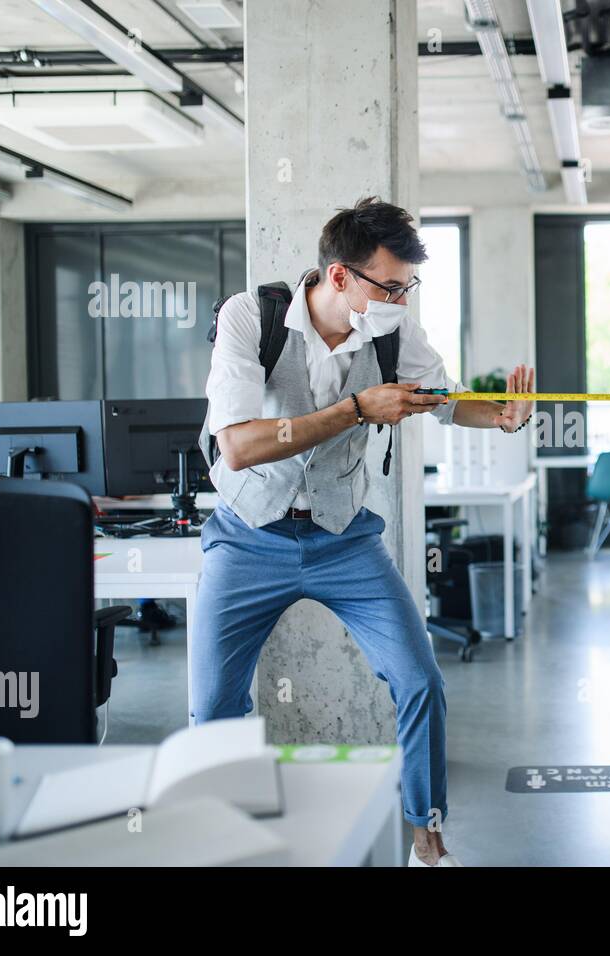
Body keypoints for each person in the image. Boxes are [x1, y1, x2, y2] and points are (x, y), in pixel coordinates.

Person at [194, 196, 536, 867]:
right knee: (212, 703)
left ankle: (427, 841)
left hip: (344, 537)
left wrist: (500, 416)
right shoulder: (250, 318)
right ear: (340, 277)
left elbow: (442, 401)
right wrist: (356, 408)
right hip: (247, 536)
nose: (400, 301)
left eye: (408, 287)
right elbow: (235, 447)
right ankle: (223, 838)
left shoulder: (392, 335)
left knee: (420, 681)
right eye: (389, 286)